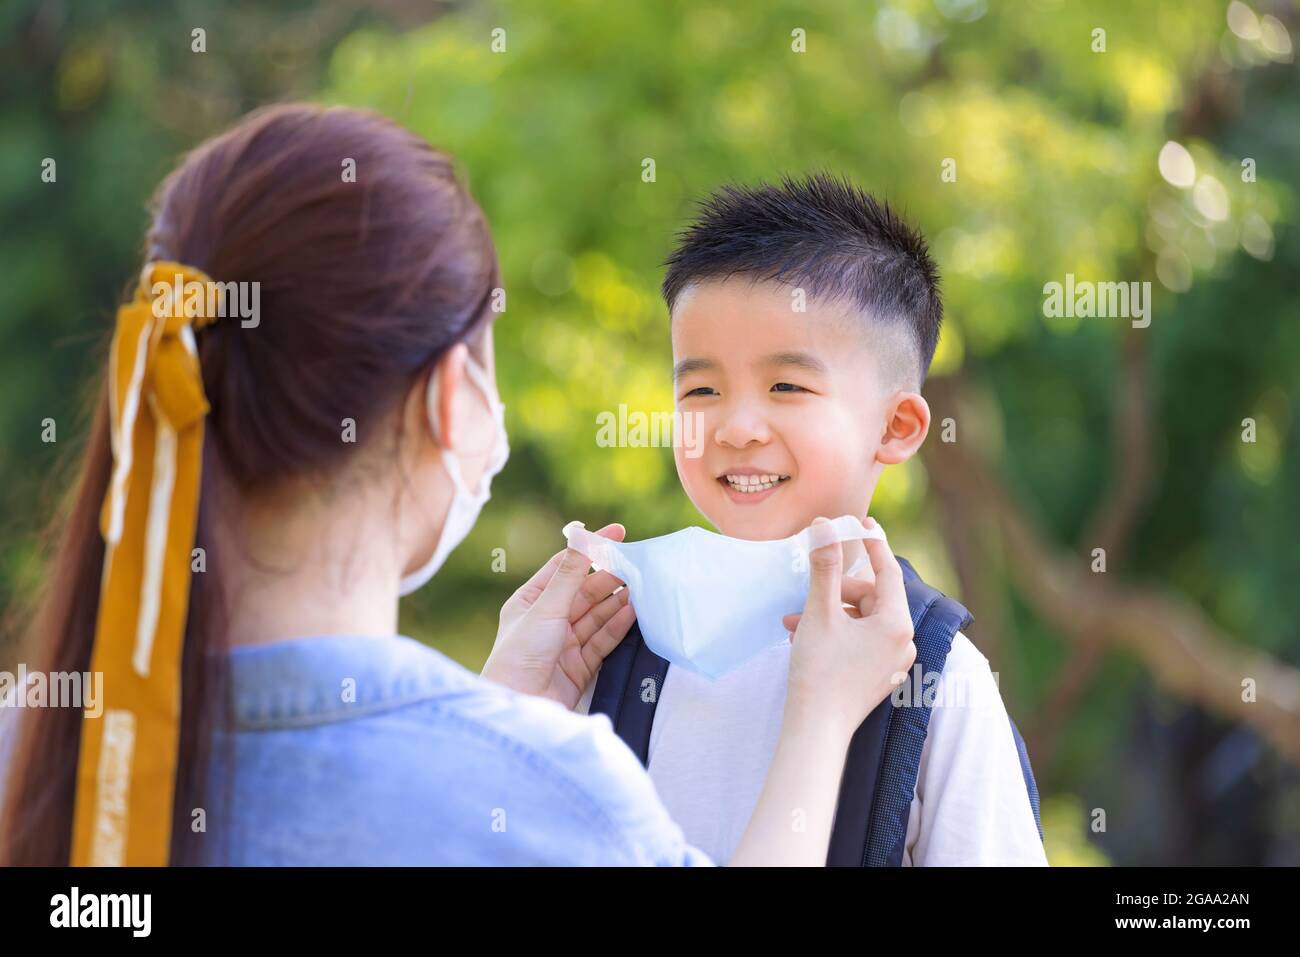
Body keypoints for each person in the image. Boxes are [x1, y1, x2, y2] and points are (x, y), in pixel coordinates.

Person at [0, 104, 916, 866]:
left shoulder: (34, 754)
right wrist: (821, 722)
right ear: (449, 397)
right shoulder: (556, 799)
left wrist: (502, 710)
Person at [578, 175, 1048, 865]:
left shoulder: (935, 678)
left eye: (786, 386)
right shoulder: (610, 644)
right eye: (701, 388)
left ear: (897, 424)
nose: (736, 427)